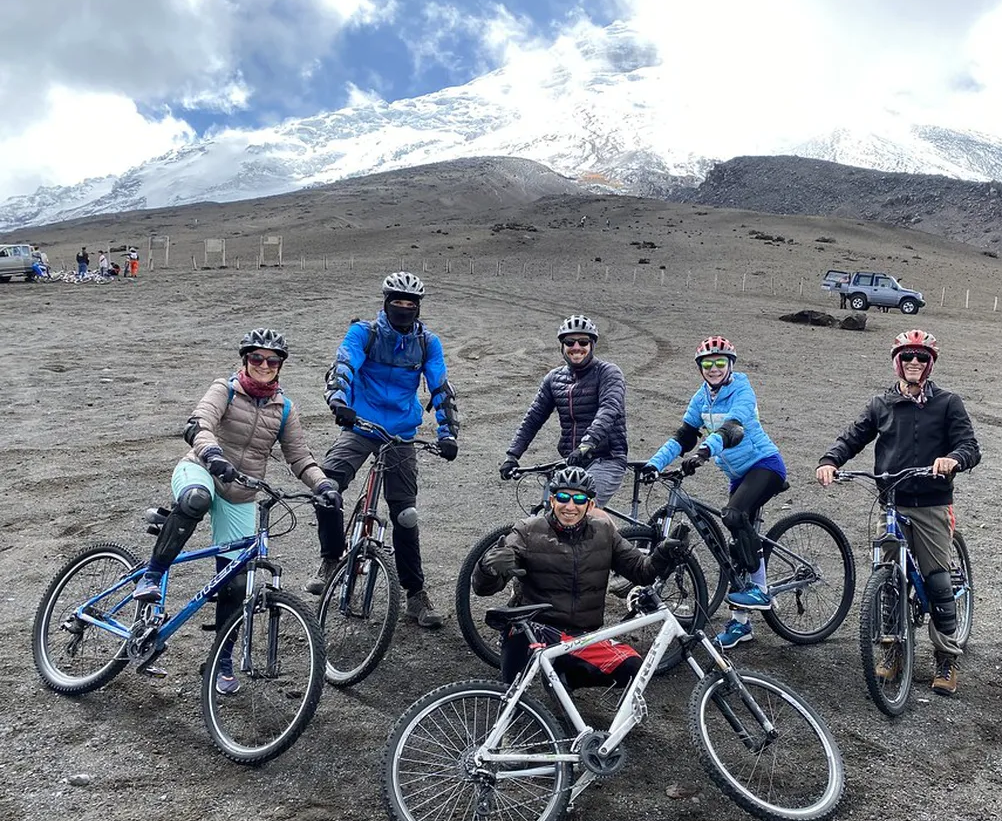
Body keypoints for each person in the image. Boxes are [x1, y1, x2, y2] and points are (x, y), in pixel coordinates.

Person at [131, 329, 339, 694]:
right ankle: (152, 574)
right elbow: (198, 424)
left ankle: (221, 660)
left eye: (272, 360)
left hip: (241, 491)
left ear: (280, 366)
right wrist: (213, 454)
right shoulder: (224, 389)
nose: (264, 365)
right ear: (245, 360)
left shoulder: (284, 409)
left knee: (238, 582)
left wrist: (322, 484)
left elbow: (299, 457)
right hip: (201, 469)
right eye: (257, 358)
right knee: (196, 499)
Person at [815, 329, 981, 696]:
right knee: (887, 579)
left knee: (938, 581)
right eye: (907, 356)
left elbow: (970, 445)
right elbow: (853, 436)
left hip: (932, 503)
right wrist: (830, 460)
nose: (914, 362)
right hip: (891, 501)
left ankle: (946, 657)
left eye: (921, 357)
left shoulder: (948, 403)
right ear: (897, 362)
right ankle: (892, 651)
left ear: (930, 364)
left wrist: (953, 459)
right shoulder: (881, 404)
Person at [306, 271, 460, 629]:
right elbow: (343, 366)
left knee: (406, 515)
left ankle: (415, 595)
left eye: (410, 303)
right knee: (326, 487)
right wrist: (339, 401)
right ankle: (330, 559)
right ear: (386, 302)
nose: (404, 308)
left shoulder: (427, 343)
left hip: (401, 434)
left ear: (418, 307)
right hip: (361, 425)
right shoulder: (364, 333)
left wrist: (448, 433)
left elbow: (440, 386)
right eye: (397, 302)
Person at [472, 467, 688, 685]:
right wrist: (489, 569)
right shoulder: (527, 531)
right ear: (552, 500)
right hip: (532, 630)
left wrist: (664, 554)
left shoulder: (604, 532)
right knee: (511, 696)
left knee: (633, 668)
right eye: (563, 498)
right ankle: (531, 683)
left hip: (578, 637)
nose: (570, 506)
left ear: (590, 505)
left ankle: (565, 678)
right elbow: (482, 588)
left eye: (579, 499)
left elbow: (642, 572)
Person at [640, 336, 788, 649]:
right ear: (700, 368)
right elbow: (683, 437)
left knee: (733, 515)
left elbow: (732, 429)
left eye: (720, 362)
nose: (714, 368)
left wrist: (705, 452)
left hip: (765, 465)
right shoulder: (701, 399)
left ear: (730, 365)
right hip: (738, 475)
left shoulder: (742, 390)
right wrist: (654, 464)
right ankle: (741, 624)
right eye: (708, 364)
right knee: (736, 545)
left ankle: (761, 591)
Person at [499, 315, 628, 507]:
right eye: (570, 342)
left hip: (606, 459)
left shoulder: (608, 373)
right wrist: (512, 455)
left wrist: (586, 445)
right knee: (555, 510)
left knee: (579, 509)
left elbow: (609, 410)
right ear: (562, 346)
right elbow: (533, 417)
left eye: (583, 342)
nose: (576, 347)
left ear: (592, 345)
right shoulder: (554, 378)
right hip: (571, 460)